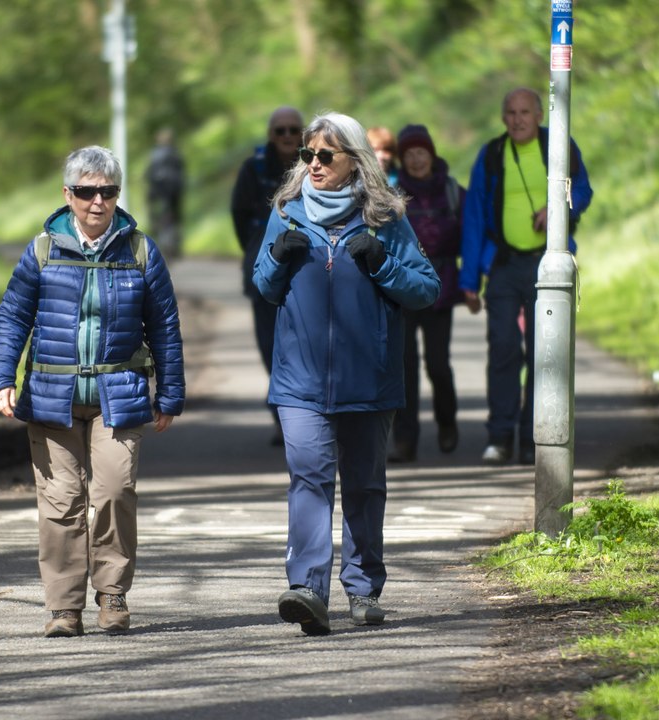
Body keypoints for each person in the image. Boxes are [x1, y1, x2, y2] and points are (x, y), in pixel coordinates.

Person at [0, 145, 185, 638]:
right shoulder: (42, 250)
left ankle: (112, 592)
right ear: (67, 194)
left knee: (115, 490)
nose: (98, 202)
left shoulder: (139, 251)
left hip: (119, 391)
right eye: (87, 191)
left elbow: (164, 325)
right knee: (61, 501)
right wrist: (1, 378)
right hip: (52, 394)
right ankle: (63, 607)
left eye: (108, 191)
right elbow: (13, 316)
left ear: (118, 195)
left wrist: (171, 391)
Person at [252, 112, 440, 635]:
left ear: (353, 161)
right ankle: (308, 589)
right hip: (300, 381)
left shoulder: (385, 216)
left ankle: (362, 590)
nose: (313, 164)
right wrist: (276, 256)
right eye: (308, 155)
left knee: (363, 485)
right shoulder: (288, 214)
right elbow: (264, 286)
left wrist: (382, 262)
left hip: (370, 378)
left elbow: (426, 289)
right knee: (309, 477)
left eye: (324, 156)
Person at [460, 87, 593, 465]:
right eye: (511, 112)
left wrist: (558, 207)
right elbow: (473, 217)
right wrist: (469, 280)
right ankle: (499, 437)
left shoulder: (560, 145)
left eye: (525, 112)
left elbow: (582, 190)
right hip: (502, 266)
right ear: (503, 118)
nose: (518, 119)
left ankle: (535, 437)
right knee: (502, 348)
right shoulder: (492, 155)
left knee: (544, 353)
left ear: (539, 115)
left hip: (546, 263)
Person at [387, 124, 465, 463]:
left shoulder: (451, 191)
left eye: (422, 152)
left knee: (437, 364)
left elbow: (472, 235)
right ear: (402, 159)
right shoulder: (390, 193)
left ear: (432, 155)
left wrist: (472, 282)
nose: (417, 160)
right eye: (410, 154)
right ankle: (406, 440)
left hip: (441, 287)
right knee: (404, 367)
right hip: (402, 288)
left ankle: (447, 423)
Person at [231, 105, 304, 445]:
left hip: (305, 268)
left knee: (303, 343)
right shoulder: (253, 169)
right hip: (262, 266)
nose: (288, 136)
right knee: (269, 344)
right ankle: (281, 413)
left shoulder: (312, 164)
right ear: (271, 135)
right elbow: (239, 214)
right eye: (281, 131)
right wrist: (255, 248)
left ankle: (302, 415)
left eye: (293, 130)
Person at [144, 127, 185, 258]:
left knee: (156, 215)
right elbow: (181, 172)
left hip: (158, 191)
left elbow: (149, 173)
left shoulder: (155, 154)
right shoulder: (176, 153)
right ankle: (174, 245)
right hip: (174, 191)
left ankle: (159, 238)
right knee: (174, 217)